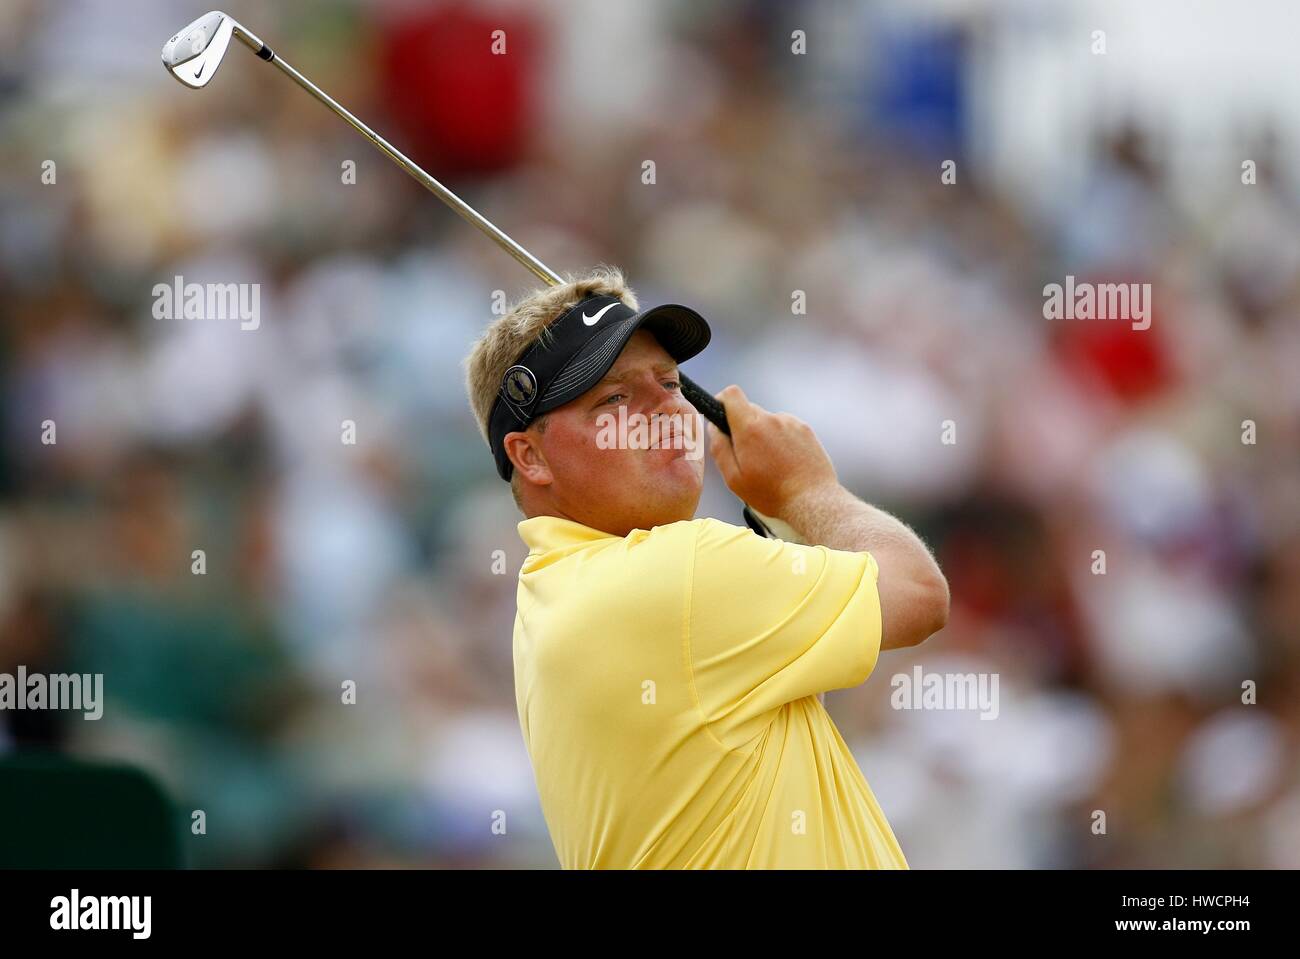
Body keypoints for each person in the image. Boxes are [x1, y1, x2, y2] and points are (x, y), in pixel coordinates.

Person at [463, 267, 949, 868]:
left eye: (668, 383)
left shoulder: (559, 595)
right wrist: (804, 487)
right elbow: (918, 592)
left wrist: (779, 505)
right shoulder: (673, 576)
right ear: (529, 455)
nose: (665, 409)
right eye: (614, 398)